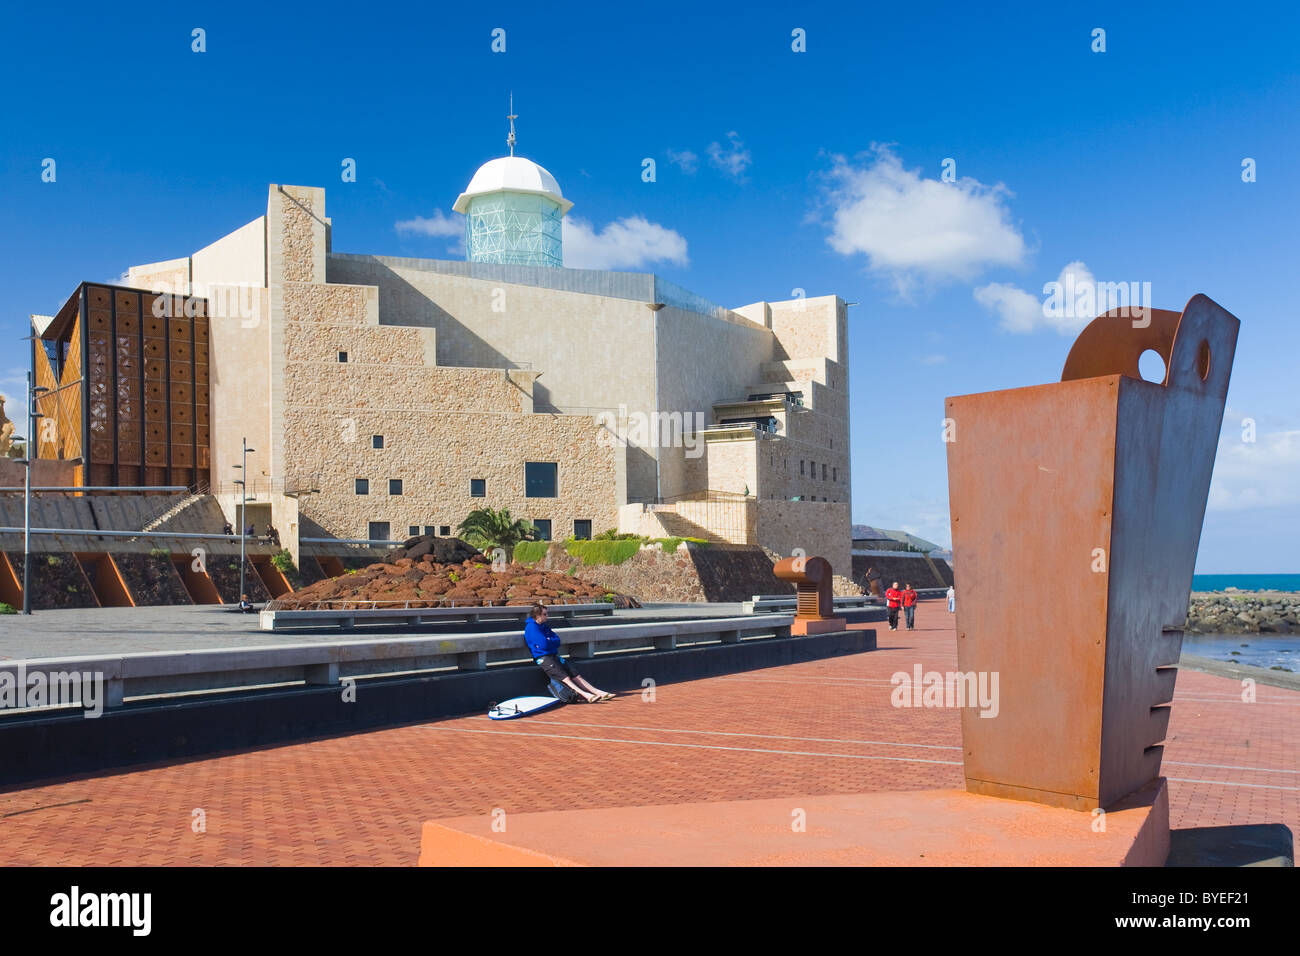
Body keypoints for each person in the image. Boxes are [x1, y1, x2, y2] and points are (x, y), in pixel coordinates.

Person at [524, 604, 613, 703]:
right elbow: (544, 644)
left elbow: (557, 640)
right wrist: (549, 641)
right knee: (565, 677)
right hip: (543, 657)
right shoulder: (532, 628)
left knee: (575, 674)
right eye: (545, 614)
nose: (547, 616)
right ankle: (585, 695)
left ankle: (598, 692)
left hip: (553, 655)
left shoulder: (544, 626)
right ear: (537, 615)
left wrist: (550, 641)